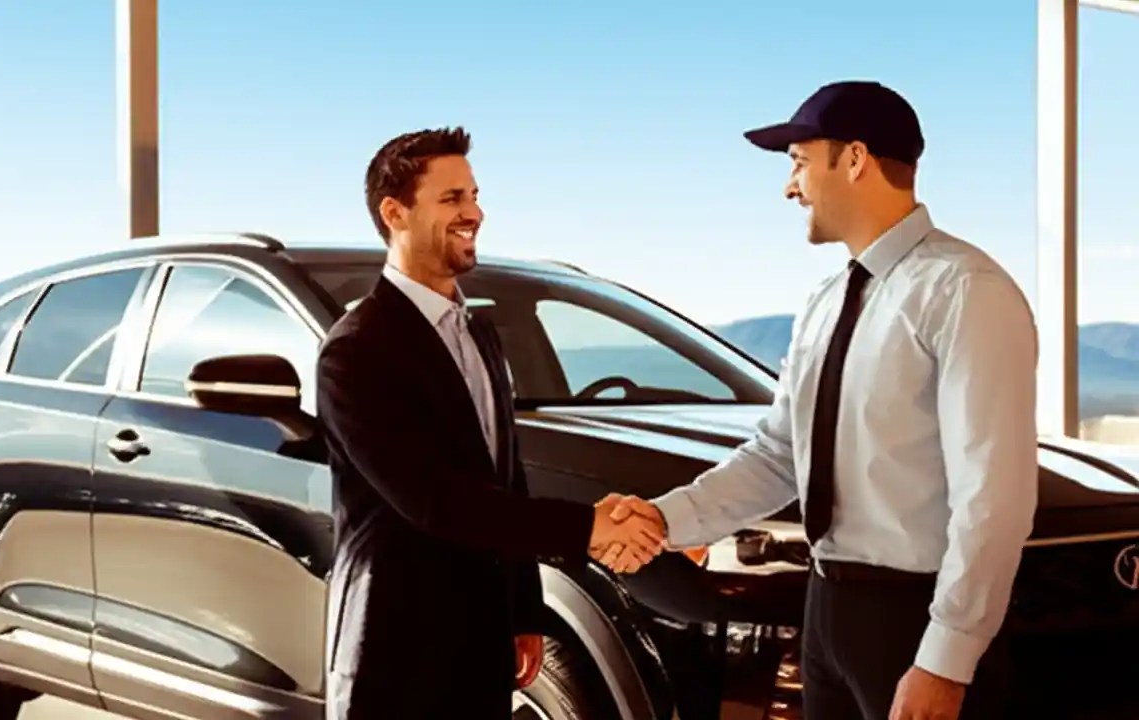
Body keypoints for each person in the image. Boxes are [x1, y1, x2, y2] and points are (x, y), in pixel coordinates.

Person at [600, 81, 1038, 720]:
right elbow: (781, 454)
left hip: (916, 618)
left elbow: (994, 495)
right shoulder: (824, 302)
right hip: (828, 611)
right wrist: (668, 521)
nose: (790, 186)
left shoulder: (966, 291)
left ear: (854, 159)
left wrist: (947, 657)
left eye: (800, 162)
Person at [315, 126, 665, 720]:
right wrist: (590, 527)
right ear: (394, 212)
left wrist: (522, 609)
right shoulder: (356, 350)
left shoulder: (479, 333)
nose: (474, 213)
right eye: (452, 199)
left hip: (479, 640)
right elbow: (433, 499)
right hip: (397, 644)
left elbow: (505, 479)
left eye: (474, 196)